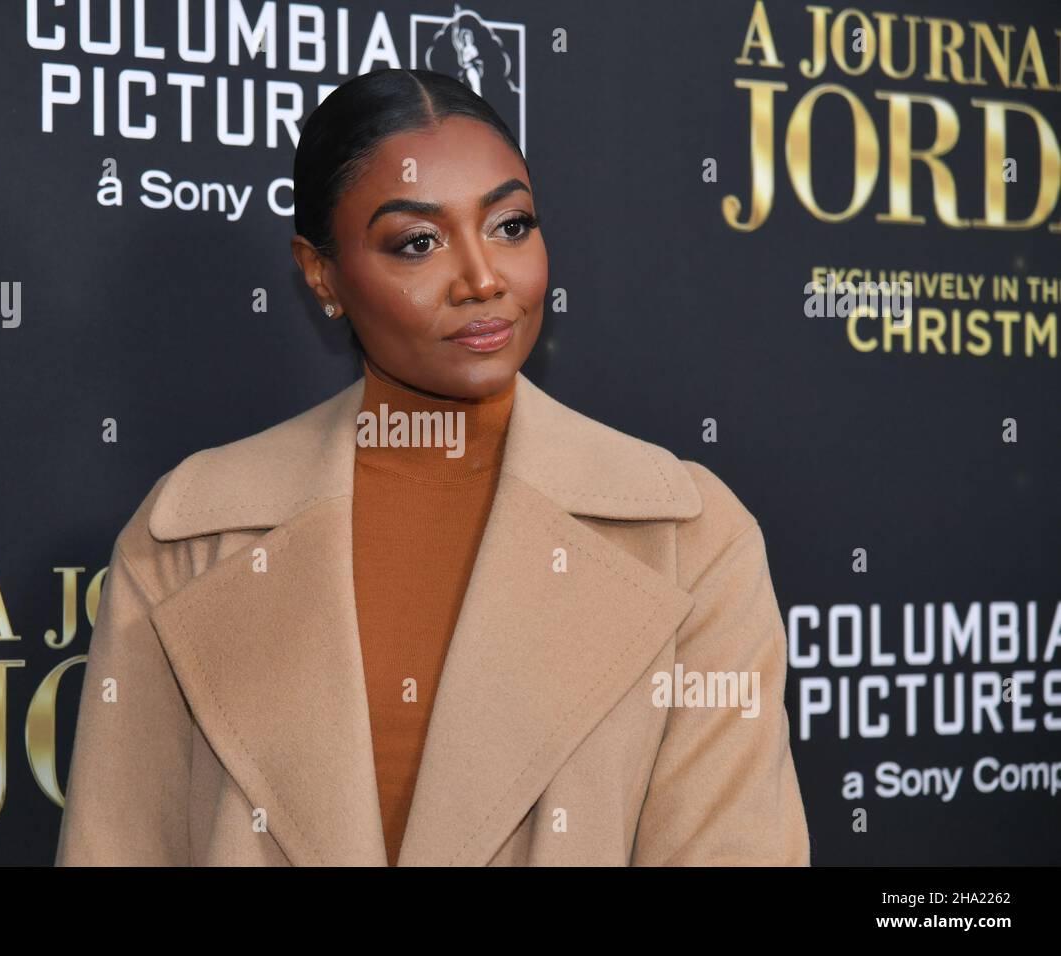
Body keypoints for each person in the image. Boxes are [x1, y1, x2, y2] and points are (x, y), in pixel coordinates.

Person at [54, 68, 811, 867]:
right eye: (418, 242)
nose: (484, 277)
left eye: (512, 226)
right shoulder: (188, 535)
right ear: (321, 274)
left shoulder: (687, 540)